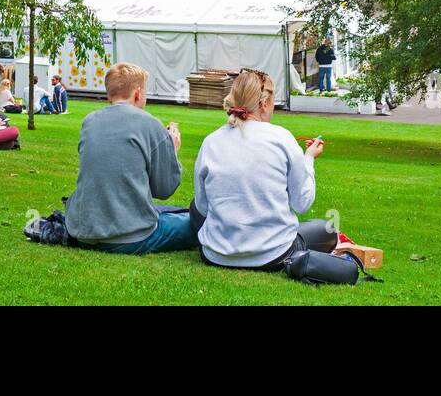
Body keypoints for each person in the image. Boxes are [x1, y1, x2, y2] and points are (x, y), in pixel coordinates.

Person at [192, 68, 338, 274]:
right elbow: (302, 202)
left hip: (216, 253)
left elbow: (202, 206)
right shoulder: (281, 137)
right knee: (326, 229)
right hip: (272, 254)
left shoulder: (211, 141)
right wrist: (309, 159)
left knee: (193, 207)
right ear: (264, 104)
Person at [64, 63, 197, 254]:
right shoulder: (150, 123)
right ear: (137, 93)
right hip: (131, 235)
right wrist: (172, 151)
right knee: (198, 223)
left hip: (84, 232)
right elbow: (164, 188)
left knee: (169, 212)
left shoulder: (90, 121)